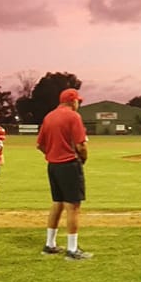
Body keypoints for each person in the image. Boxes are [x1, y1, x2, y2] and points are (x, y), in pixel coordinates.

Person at [37, 88, 91, 260]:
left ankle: (50, 244)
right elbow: (81, 145)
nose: (78, 104)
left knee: (57, 203)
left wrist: (51, 154)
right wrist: (82, 159)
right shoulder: (73, 116)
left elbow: (40, 145)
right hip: (69, 165)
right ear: (72, 101)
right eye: (78, 101)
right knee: (73, 207)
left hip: (53, 166)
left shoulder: (49, 116)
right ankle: (72, 249)